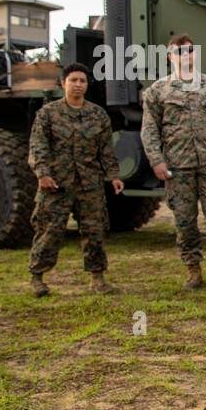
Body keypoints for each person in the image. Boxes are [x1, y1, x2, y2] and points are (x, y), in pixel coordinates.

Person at [141, 35, 206, 290]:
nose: (185, 55)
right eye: (178, 52)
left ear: (195, 54)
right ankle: (193, 270)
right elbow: (150, 129)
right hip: (178, 167)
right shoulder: (158, 91)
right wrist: (156, 160)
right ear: (170, 57)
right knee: (184, 221)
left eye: (189, 50)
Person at [27, 63, 124, 296]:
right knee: (49, 231)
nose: (78, 85)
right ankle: (37, 277)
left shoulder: (97, 115)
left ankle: (98, 278)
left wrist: (114, 176)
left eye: (82, 81)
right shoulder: (48, 114)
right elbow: (38, 146)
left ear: (87, 85)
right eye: (73, 80)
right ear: (63, 84)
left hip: (89, 184)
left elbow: (106, 150)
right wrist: (43, 173)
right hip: (56, 183)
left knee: (95, 231)